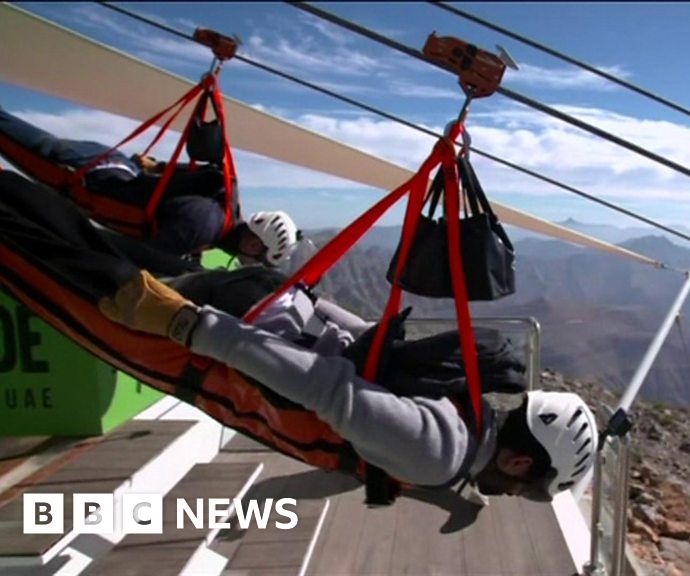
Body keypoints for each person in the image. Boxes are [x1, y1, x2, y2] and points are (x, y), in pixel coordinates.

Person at [99, 269, 600, 501]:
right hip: (244, 320)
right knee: (74, 264)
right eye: (522, 488)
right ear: (517, 460)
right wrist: (191, 326)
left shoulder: (465, 405)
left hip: (269, 300)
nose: (513, 494)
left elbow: (367, 342)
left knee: (101, 256)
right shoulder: (439, 454)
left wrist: (304, 297)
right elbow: (326, 387)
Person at [0, 106, 299, 265]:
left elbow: (204, 176)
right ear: (253, 243)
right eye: (257, 256)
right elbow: (136, 258)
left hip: (112, 164)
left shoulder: (222, 208)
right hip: (88, 178)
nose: (250, 260)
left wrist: (155, 166)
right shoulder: (203, 225)